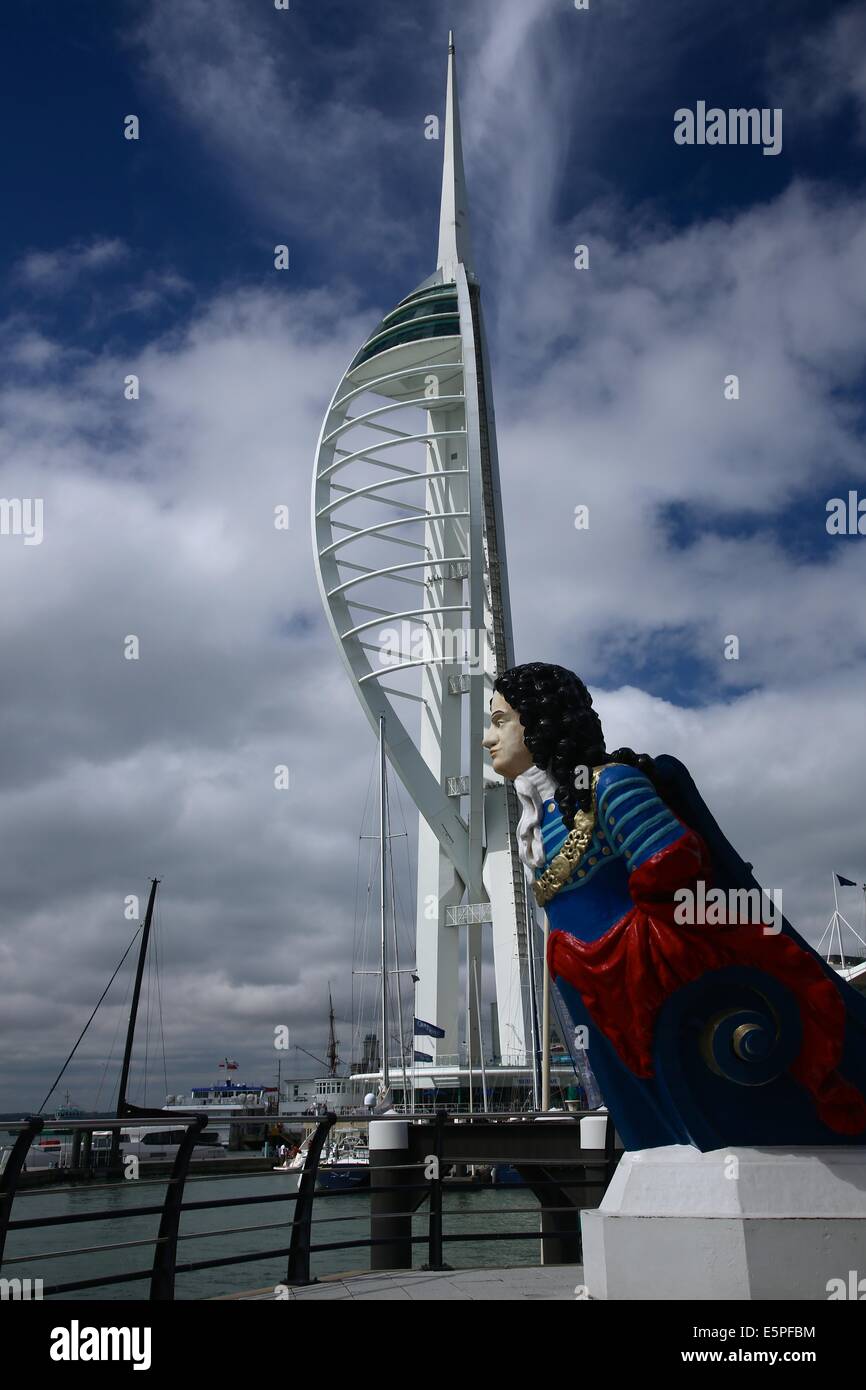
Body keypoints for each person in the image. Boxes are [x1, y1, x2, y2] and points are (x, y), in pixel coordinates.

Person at [482, 661, 866, 1150]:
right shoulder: (543, 819)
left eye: (500, 721)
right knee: (639, 1106)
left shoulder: (611, 785)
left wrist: (640, 947)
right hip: (592, 989)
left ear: (539, 720)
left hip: (639, 975)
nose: (488, 739)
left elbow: (672, 866)